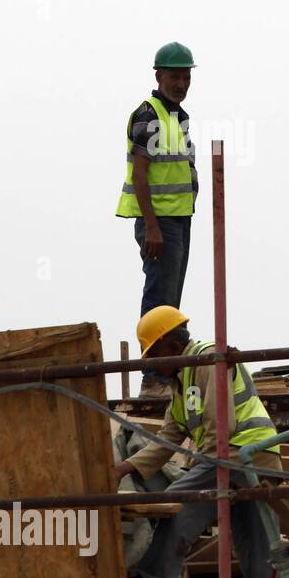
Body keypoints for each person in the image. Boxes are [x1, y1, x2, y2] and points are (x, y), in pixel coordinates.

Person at [112, 305, 288, 578]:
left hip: (243, 454)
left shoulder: (207, 359)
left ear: (169, 344)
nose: (150, 365)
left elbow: (220, 424)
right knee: (257, 548)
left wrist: (200, 466)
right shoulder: (182, 384)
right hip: (239, 459)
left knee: (178, 502)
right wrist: (124, 468)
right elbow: (167, 439)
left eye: (152, 355)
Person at [115, 42, 198, 398]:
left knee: (170, 302)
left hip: (179, 220)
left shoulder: (178, 117)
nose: (180, 83)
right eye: (174, 76)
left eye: (185, 76)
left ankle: (165, 376)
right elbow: (141, 174)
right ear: (158, 76)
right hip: (160, 222)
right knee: (159, 300)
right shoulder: (149, 115)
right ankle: (153, 379)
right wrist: (150, 226)